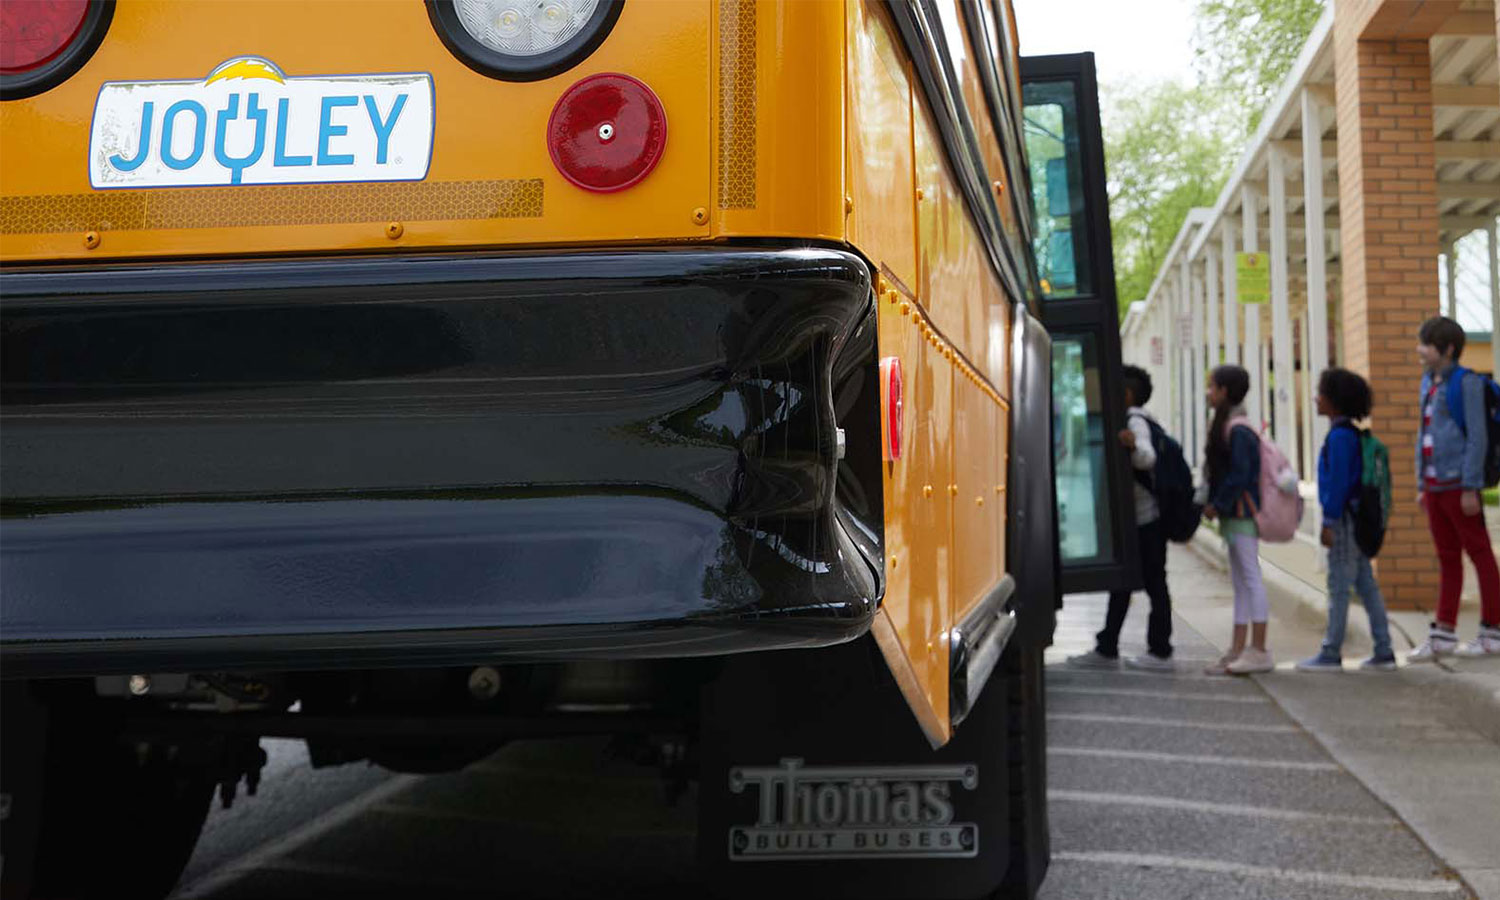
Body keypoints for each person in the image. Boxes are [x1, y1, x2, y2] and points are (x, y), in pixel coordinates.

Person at [1068, 365, 1174, 671]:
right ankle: (1108, 644)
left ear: (1126, 394)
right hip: (1138, 519)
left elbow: (1147, 457)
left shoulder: (1135, 421)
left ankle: (1160, 650)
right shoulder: (1136, 418)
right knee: (1123, 582)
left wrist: (1132, 444)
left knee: (1153, 583)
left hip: (1146, 520)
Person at [1409, 316, 1500, 660]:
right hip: (1434, 486)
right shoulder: (1427, 382)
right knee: (1447, 557)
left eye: (1426, 344)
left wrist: (1470, 486)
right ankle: (1443, 633)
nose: (1420, 350)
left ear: (1447, 349)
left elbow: (1477, 438)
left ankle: (1493, 630)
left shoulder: (1467, 383)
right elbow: (1423, 435)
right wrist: (1422, 483)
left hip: (1459, 485)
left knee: (1480, 553)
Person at [1295, 368, 1396, 672]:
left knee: (1338, 585)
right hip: (1357, 520)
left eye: (1321, 393)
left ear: (1334, 401)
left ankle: (1330, 651)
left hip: (1343, 522)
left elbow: (1337, 483)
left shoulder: (1339, 438)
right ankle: (1384, 650)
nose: (1316, 399)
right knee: (1366, 585)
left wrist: (1328, 522)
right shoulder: (1352, 435)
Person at [1201, 364, 1274, 676]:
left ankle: (1258, 650)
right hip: (1234, 514)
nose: (1208, 392)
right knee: (1241, 582)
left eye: (1212, 387)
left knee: (1250, 579)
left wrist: (1217, 504)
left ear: (1224, 391)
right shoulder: (1230, 425)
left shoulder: (1238, 429)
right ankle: (1239, 648)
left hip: (1241, 513)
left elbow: (1240, 475)